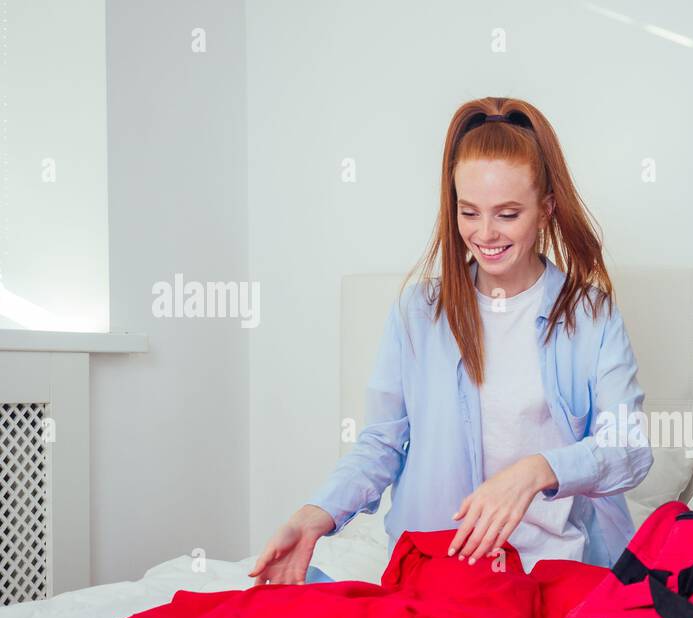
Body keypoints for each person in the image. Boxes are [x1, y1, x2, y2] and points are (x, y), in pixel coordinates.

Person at [250, 97, 652, 584]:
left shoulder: (589, 314)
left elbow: (629, 449)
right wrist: (317, 514)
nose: (485, 234)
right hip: (441, 573)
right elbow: (383, 442)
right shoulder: (419, 312)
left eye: (507, 214)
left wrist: (538, 469)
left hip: (551, 575)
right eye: (469, 213)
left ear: (545, 209)